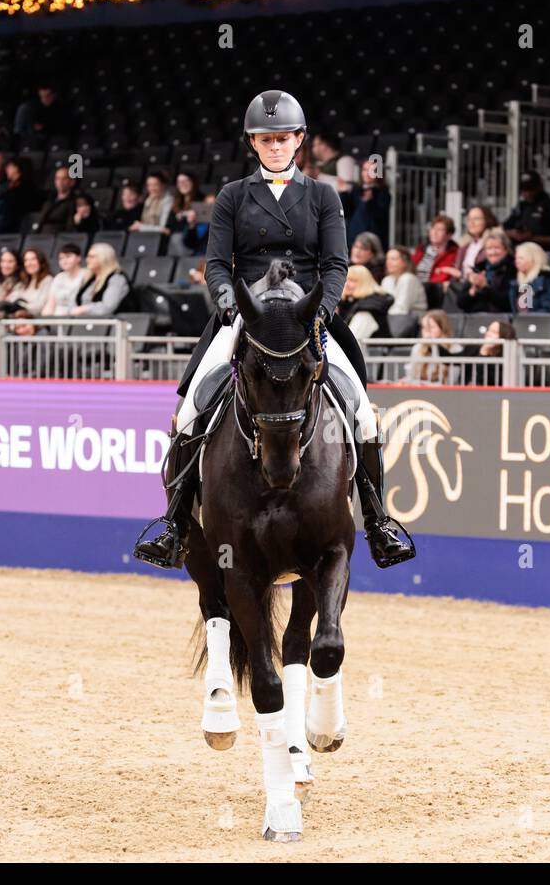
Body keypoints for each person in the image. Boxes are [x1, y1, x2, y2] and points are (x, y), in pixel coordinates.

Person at [133, 89, 414, 571]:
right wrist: (226, 301)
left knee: (364, 416)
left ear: (299, 140)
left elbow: (336, 264)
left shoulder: (323, 195)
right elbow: (218, 264)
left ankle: (377, 521)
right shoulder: (233, 196)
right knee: (187, 415)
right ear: (253, 143)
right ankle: (174, 523)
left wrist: (322, 309)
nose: (276, 147)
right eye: (266, 140)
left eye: (283, 138)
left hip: (307, 317)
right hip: (251, 314)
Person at [452, 230, 515, 313]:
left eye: (497, 248)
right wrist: (471, 292)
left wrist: (485, 288)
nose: (493, 252)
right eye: (489, 248)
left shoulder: (512, 269)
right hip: (475, 319)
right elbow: (460, 303)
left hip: (500, 318)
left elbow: (510, 302)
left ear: (506, 250)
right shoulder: (478, 269)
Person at [503, 171, 550, 250]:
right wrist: (514, 234)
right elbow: (505, 227)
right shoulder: (522, 205)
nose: (527, 193)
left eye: (530, 189)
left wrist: (532, 238)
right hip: (520, 250)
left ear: (539, 187)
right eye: (524, 190)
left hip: (545, 251)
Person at [340, 156, 390, 248]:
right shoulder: (356, 190)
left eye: (372, 171)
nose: (367, 174)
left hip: (371, 240)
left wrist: (369, 203)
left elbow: (381, 216)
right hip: (353, 237)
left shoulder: (382, 193)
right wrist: (343, 193)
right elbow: (345, 212)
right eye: (365, 170)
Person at [70, 242, 132, 315]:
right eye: (88, 256)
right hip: (86, 322)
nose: (87, 260)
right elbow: (75, 302)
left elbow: (107, 307)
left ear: (104, 258)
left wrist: (84, 309)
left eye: (92, 257)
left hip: (112, 323)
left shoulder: (117, 278)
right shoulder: (89, 278)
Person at [337, 263, 394, 340]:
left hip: (375, 351)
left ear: (365, 283)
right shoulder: (348, 303)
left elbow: (352, 340)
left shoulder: (366, 309)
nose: (347, 284)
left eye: (353, 281)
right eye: (346, 280)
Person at [510, 241, 550, 314]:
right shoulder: (516, 284)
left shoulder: (549, 281)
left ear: (534, 259)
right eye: (516, 258)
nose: (517, 262)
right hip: (523, 323)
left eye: (521, 258)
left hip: (542, 324)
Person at [408, 309, 463, 384]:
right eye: (424, 327)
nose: (426, 331)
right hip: (420, 393)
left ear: (442, 328)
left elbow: (452, 381)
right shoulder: (418, 347)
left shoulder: (455, 349)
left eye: (431, 327)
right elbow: (411, 376)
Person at [410, 215, 460, 283]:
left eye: (440, 230)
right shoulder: (421, 249)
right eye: (433, 228)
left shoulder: (454, 254)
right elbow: (409, 269)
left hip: (432, 289)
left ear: (449, 235)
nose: (434, 232)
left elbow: (443, 278)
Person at [381, 246, 428, 316]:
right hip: (392, 318)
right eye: (387, 259)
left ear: (404, 262)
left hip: (412, 320)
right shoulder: (386, 280)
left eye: (393, 259)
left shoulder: (408, 279)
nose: (388, 262)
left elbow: (402, 308)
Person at [43, 244, 89, 315]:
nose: (64, 261)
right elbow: (50, 303)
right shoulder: (59, 277)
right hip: (57, 317)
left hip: (77, 316)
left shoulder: (87, 275)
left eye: (68, 256)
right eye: (61, 258)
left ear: (78, 258)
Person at [468, 318, 517, 385]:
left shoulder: (508, 357)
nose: (488, 334)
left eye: (494, 332)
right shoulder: (475, 348)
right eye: (488, 330)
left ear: (503, 336)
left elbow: (486, 380)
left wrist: (484, 352)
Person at [9, 248, 54, 315]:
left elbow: (39, 307)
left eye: (33, 259)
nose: (29, 263)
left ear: (40, 261)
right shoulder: (22, 283)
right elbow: (10, 301)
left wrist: (22, 307)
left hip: (33, 320)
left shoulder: (48, 280)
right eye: (26, 260)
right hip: (17, 319)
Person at [35, 166, 78, 234]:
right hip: (42, 237)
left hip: (59, 237)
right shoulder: (48, 201)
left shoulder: (74, 201)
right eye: (57, 178)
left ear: (72, 181)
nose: (60, 182)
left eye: (64, 178)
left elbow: (70, 226)